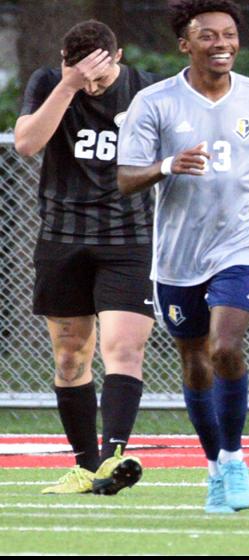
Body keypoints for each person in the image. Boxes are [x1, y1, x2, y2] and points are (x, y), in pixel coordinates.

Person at [117, 0, 249, 513]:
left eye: (229, 35)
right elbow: (125, 177)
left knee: (225, 346)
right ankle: (213, 468)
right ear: (186, 44)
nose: (221, 44)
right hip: (180, 253)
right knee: (195, 360)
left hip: (244, 239)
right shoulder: (154, 103)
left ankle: (233, 457)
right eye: (208, 36)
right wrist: (166, 165)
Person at [15, 20, 162, 497]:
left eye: (100, 76)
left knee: (123, 347)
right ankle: (84, 465)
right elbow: (26, 144)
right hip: (62, 238)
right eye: (85, 75)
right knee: (70, 354)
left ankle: (113, 457)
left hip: (128, 239)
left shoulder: (145, 91)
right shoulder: (50, 83)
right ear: (64, 60)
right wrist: (70, 84)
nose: (93, 87)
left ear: (117, 58)